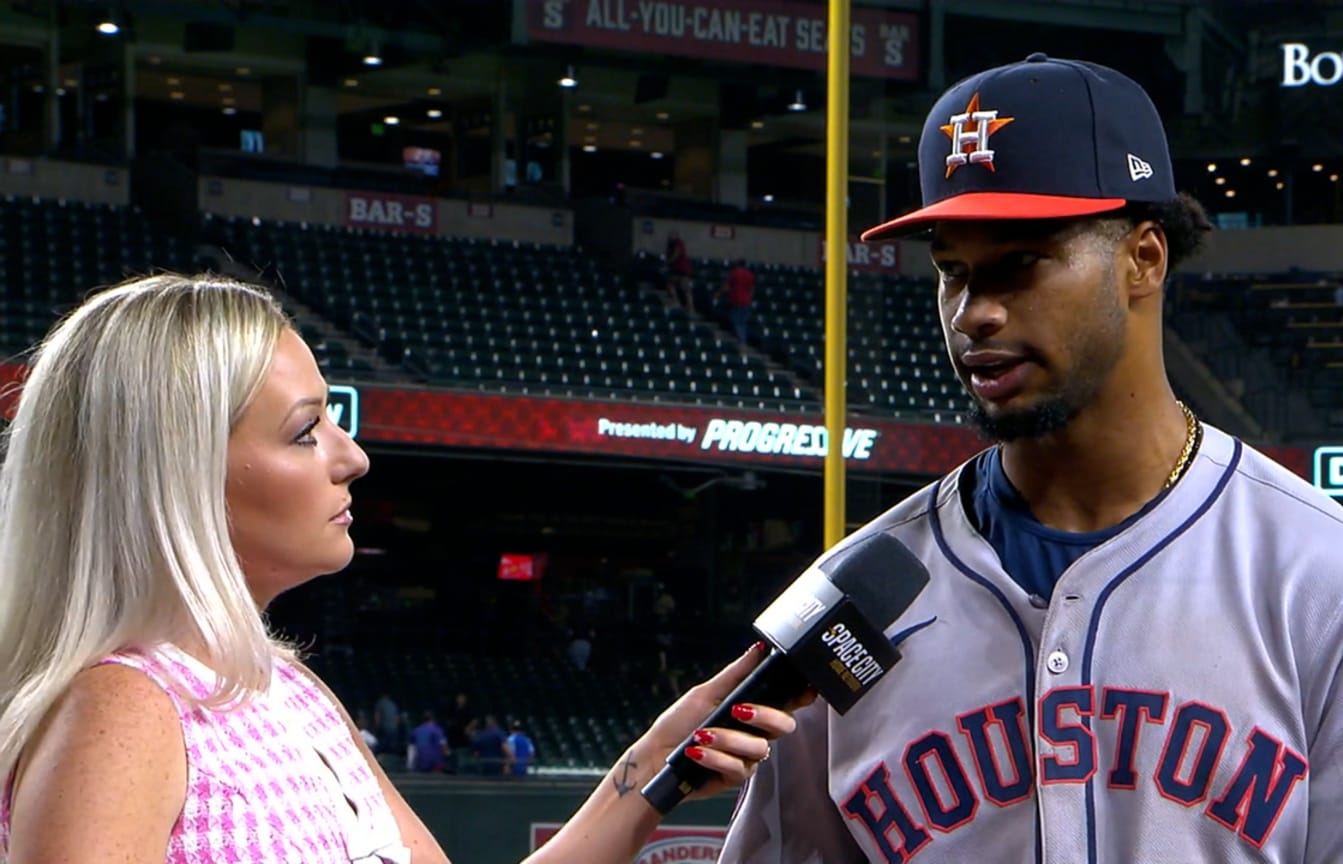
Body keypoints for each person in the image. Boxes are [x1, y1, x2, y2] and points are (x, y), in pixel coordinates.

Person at [719, 54, 1343, 863]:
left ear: (1144, 259)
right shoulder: (849, 607)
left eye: (1021, 263)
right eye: (953, 272)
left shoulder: (1336, 587)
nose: (974, 313)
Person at [0, 274, 796, 864]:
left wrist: (653, 765)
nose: (354, 457)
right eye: (306, 431)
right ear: (173, 471)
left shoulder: (289, 690)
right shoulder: (122, 714)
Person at [718, 258, 755, 343]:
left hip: (736, 300)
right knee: (742, 323)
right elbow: (752, 290)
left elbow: (726, 287)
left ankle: (741, 341)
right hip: (746, 302)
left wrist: (717, 295)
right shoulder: (750, 274)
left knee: (737, 322)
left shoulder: (735, 273)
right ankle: (742, 340)